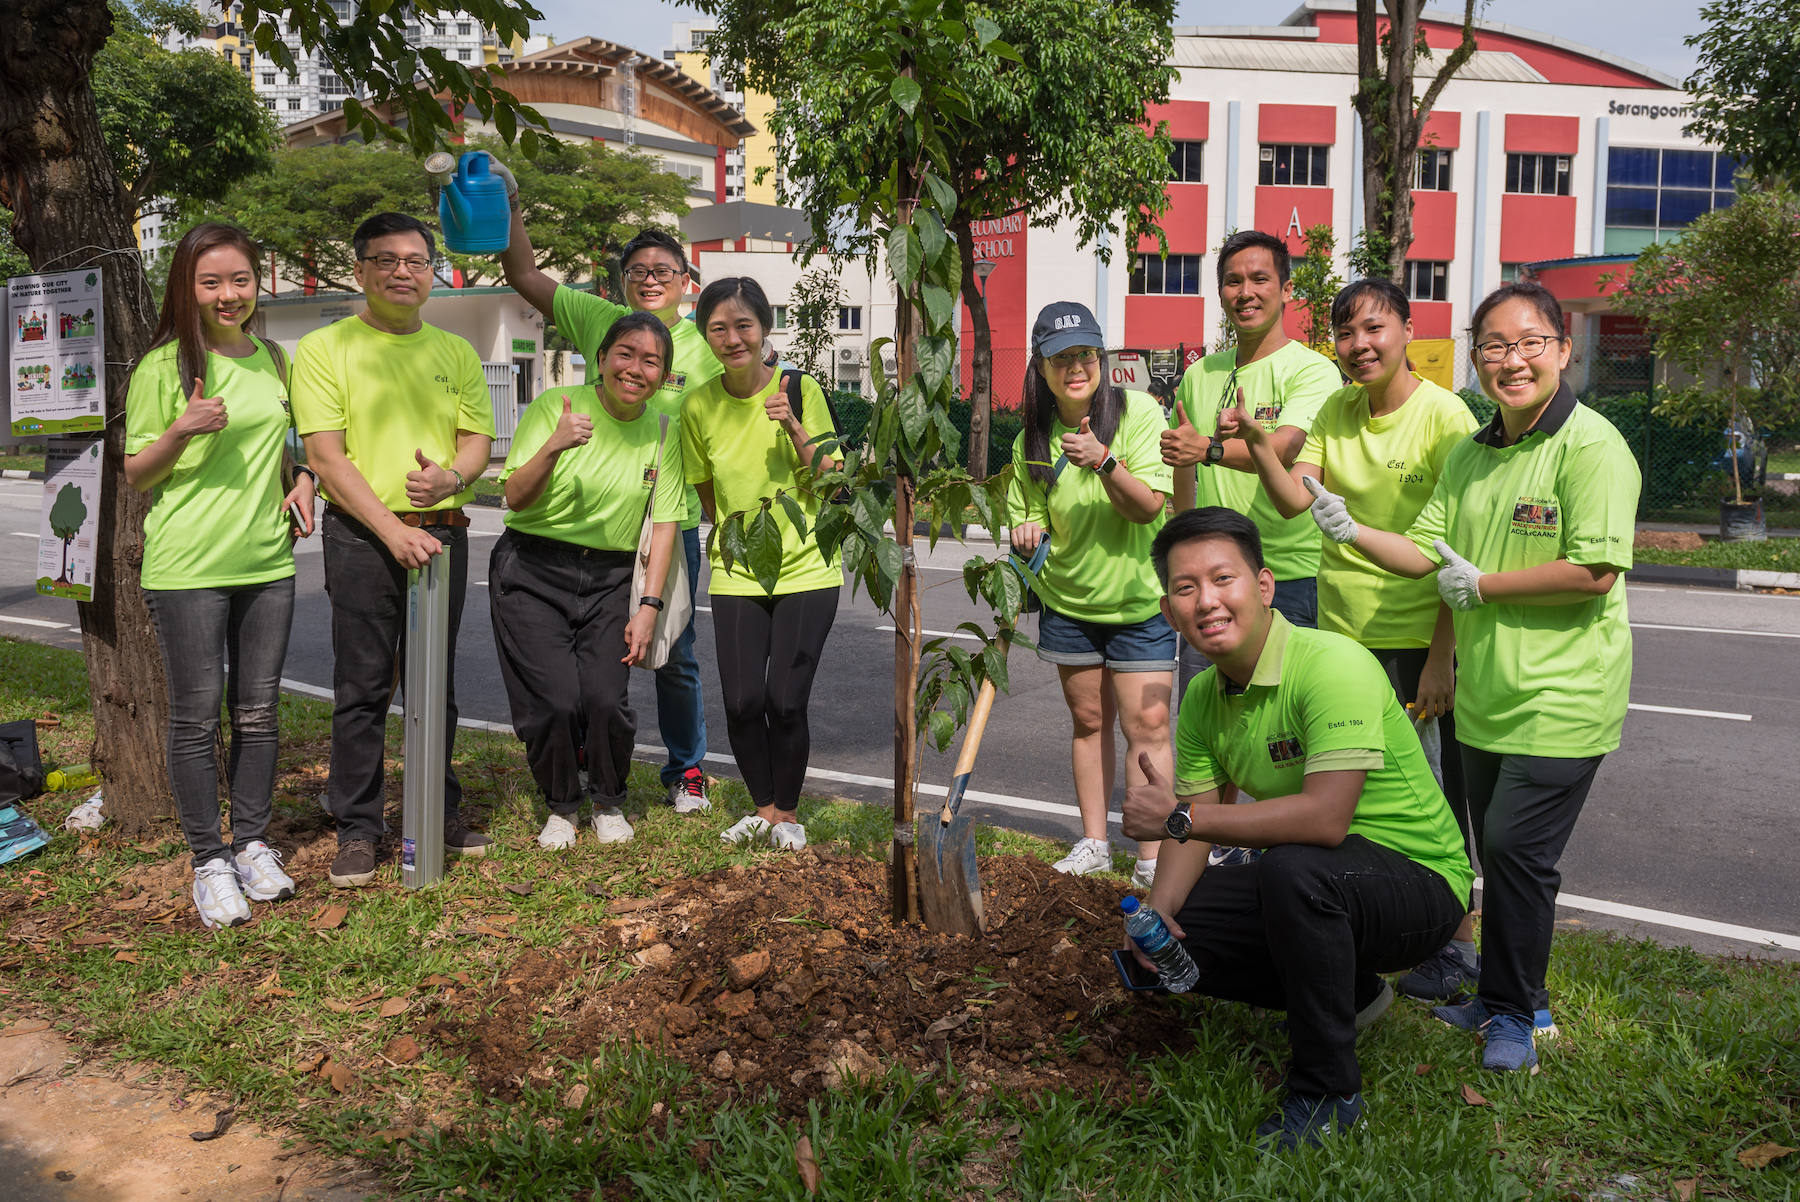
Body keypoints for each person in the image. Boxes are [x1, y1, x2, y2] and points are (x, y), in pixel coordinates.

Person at [1305, 280, 1639, 1071]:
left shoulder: (1592, 446)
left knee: (1516, 851)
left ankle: (1515, 1017)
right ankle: (1512, 994)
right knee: (1497, 853)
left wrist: (1483, 586)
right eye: (1494, 346)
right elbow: (1426, 551)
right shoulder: (1471, 453)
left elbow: (1593, 568)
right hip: (1487, 696)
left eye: (1529, 343)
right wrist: (1352, 530)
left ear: (1563, 348)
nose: (1512, 361)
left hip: (1565, 695)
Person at [1120, 507, 1472, 1151]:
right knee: (1182, 929)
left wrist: (1178, 815)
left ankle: (1327, 1093)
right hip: (1329, 880)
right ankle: (1355, 994)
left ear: (1263, 586)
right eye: (1185, 587)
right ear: (1169, 612)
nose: (1206, 601)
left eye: (1222, 578)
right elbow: (1195, 833)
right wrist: (1157, 917)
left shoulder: (1331, 664)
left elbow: (1324, 819)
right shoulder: (1202, 697)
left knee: (1293, 867)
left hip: (1420, 887)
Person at [1219, 276, 1482, 1002]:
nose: (1360, 345)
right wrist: (1254, 444)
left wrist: (1440, 658)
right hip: (1343, 636)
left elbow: (1457, 552)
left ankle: (1456, 942)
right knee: (1352, 790)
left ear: (1406, 329)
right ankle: (1368, 916)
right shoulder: (1337, 408)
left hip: (1414, 636)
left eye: (1374, 329)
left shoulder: (1445, 419)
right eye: (1346, 332)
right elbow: (1291, 498)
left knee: (1426, 792)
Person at [290, 212, 496, 888]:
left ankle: (438, 810)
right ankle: (358, 826)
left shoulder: (456, 352)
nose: (403, 271)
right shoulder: (325, 350)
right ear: (361, 271)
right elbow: (325, 456)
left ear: (433, 272)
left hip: (442, 532)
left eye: (416, 260)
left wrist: (451, 480)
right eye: (387, 260)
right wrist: (391, 528)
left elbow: (474, 442)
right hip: (361, 535)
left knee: (436, 684)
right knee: (364, 685)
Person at [124, 222, 313, 928]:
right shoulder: (162, 367)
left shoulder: (272, 357)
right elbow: (138, 473)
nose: (228, 294)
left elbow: (288, 443)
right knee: (197, 720)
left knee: (259, 712)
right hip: (188, 568)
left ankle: (254, 844)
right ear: (187, 288)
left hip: (267, 561)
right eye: (212, 282)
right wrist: (182, 428)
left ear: (257, 283)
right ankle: (208, 861)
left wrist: (306, 480)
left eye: (240, 280)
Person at [497, 215, 715, 814]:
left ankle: (685, 769)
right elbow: (520, 271)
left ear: (685, 280)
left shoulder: (708, 342)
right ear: (621, 283)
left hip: (669, 516)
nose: (650, 280)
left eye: (663, 271)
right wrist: (512, 202)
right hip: (588, 524)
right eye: (637, 271)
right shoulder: (598, 319)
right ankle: (587, 755)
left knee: (672, 646)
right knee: (591, 655)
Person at [491, 313, 683, 849]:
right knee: (553, 700)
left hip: (611, 577)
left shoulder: (664, 430)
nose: (635, 368)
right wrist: (553, 446)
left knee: (604, 698)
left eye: (651, 361)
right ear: (600, 359)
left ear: (664, 376)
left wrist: (649, 606)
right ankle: (561, 805)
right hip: (532, 568)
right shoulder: (558, 407)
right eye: (625, 353)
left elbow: (665, 522)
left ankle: (607, 800)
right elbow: (514, 497)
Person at [1007, 302, 1174, 888]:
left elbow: (1149, 505)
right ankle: (1094, 843)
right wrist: (1026, 535)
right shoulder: (1031, 437)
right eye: (1061, 358)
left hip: (1140, 602)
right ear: (1042, 367)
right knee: (1087, 721)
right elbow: (1027, 519)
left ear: (1100, 358)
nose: (1075, 367)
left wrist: (1105, 462)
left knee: (1147, 725)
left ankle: (1151, 859)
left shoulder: (1139, 414)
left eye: (1085, 354)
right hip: (1070, 604)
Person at [683, 277, 841, 850]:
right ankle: (763, 809)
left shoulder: (800, 388)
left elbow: (831, 475)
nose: (731, 338)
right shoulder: (698, 404)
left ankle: (789, 815)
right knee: (743, 700)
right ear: (705, 335)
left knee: (786, 699)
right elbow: (707, 493)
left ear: (764, 328)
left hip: (807, 565)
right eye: (718, 328)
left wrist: (792, 426)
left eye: (742, 325)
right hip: (736, 566)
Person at [1162, 230, 1342, 665]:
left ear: (1286, 290)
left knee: (1284, 722)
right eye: (1232, 281)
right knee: (1208, 717)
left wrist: (1210, 449)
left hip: (1288, 578)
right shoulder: (1200, 373)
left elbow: (1285, 451)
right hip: (1211, 577)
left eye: (1259, 280)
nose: (1245, 293)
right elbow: (1181, 462)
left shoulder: (1313, 371)